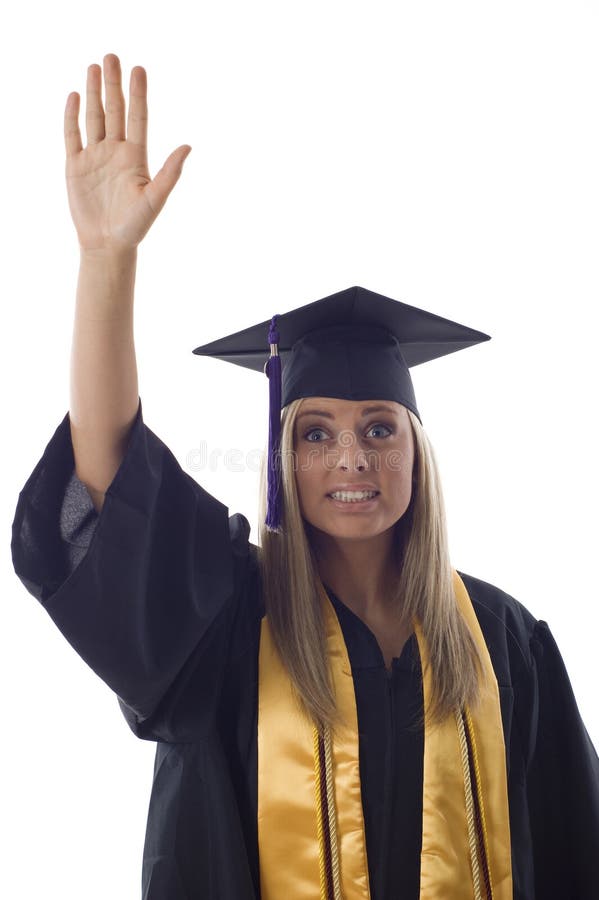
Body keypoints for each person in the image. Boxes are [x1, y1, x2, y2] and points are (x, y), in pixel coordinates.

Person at [11, 53, 599, 900]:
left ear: (416, 451)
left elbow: (576, 857)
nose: (351, 456)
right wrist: (108, 261)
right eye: (314, 431)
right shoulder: (221, 618)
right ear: (281, 456)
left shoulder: (506, 642)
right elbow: (109, 478)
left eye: (378, 428)